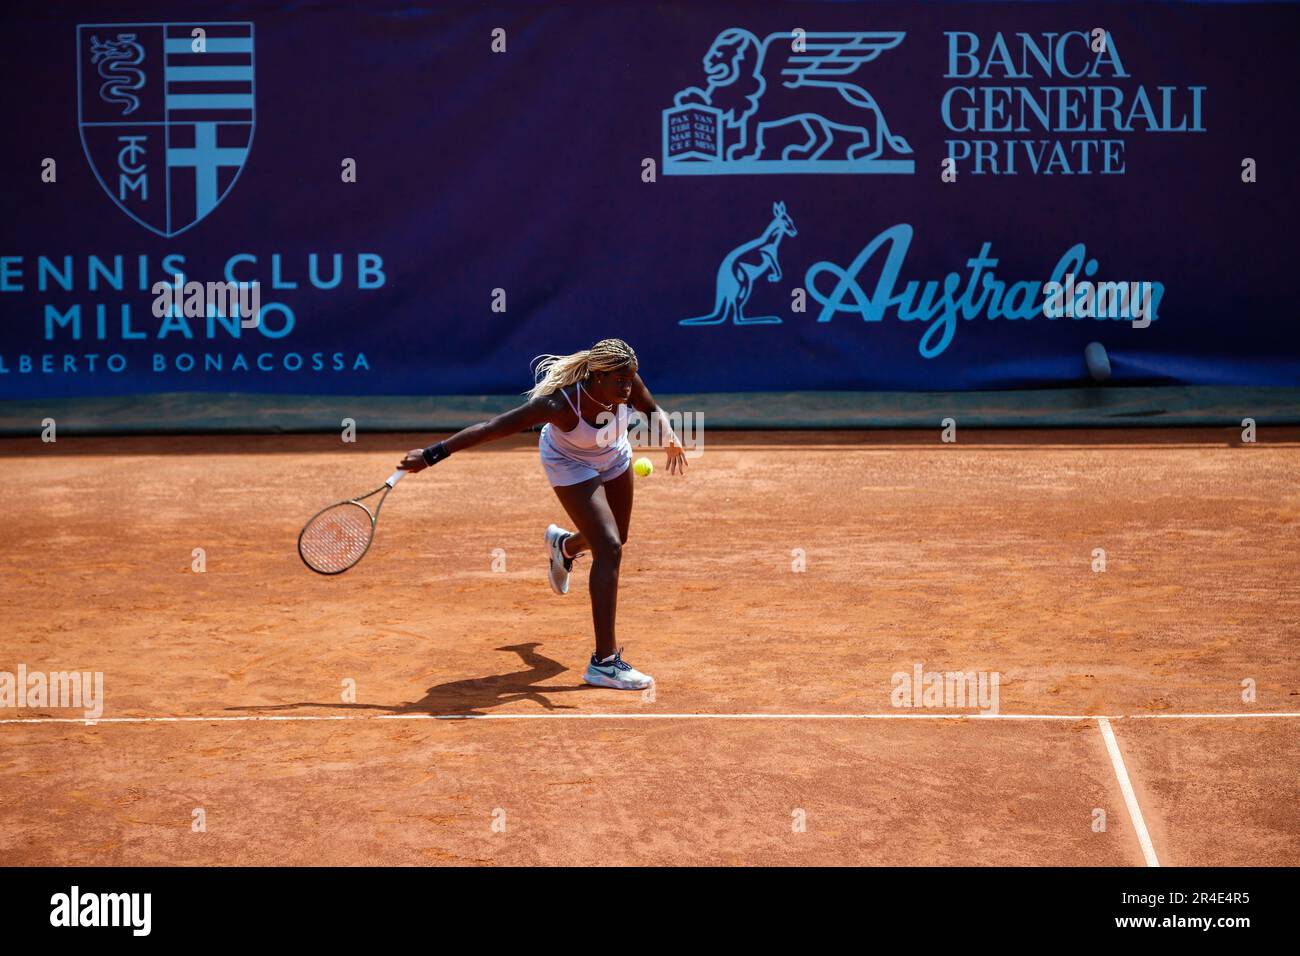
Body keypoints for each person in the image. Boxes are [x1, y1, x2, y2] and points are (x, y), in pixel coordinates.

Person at [398, 338, 687, 689]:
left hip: (614, 456)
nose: (627, 386)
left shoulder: (629, 385)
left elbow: (650, 407)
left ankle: (564, 547)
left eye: (630, 378)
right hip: (569, 463)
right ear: (596, 377)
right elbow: (493, 428)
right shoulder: (559, 405)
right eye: (619, 380)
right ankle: (604, 662)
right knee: (609, 546)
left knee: (615, 539)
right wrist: (430, 455)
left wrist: (670, 437)